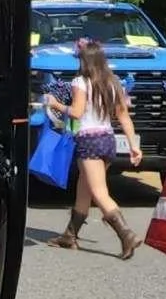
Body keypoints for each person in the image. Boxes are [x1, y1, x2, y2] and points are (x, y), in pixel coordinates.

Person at [47, 36, 143, 258]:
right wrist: (133, 145)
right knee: (85, 188)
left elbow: (77, 113)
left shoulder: (80, 82)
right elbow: (123, 116)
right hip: (107, 140)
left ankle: (126, 234)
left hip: (88, 142)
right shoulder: (113, 82)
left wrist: (55, 104)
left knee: (99, 192)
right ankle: (70, 235)